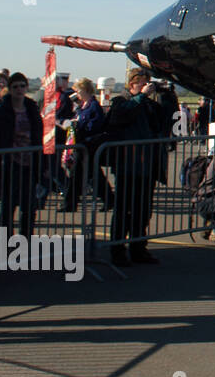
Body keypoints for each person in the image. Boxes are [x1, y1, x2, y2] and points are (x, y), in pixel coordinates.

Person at [104, 67, 166, 266]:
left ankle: (139, 248)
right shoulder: (120, 101)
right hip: (127, 165)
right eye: (143, 82)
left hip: (147, 165)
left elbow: (163, 120)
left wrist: (166, 94)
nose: (147, 86)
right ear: (133, 84)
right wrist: (141, 97)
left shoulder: (148, 105)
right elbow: (121, 116)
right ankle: (118, 250)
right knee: (124, 210)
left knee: (143, 210)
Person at [0, 72, 42, 236]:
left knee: (28, 206)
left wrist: (43, 165)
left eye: (22, 86)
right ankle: (5, 240)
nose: (19, 89)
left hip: (29, 163)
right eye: (15, 86)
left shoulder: (32, 109)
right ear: (10, 89)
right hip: (9, 164)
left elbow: (38, 137)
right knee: (8, 206)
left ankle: (25, 238)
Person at [64, 77, 112, 214]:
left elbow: (94, 126)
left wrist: (78, 126)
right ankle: (108, 199)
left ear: (85, 90)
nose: (77, 94)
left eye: (78, 91)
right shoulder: (83, 106)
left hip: (88, 145)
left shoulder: (93, 107)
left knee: (84, 175)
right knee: (88, 175)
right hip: (82, 145)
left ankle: (71, 203)